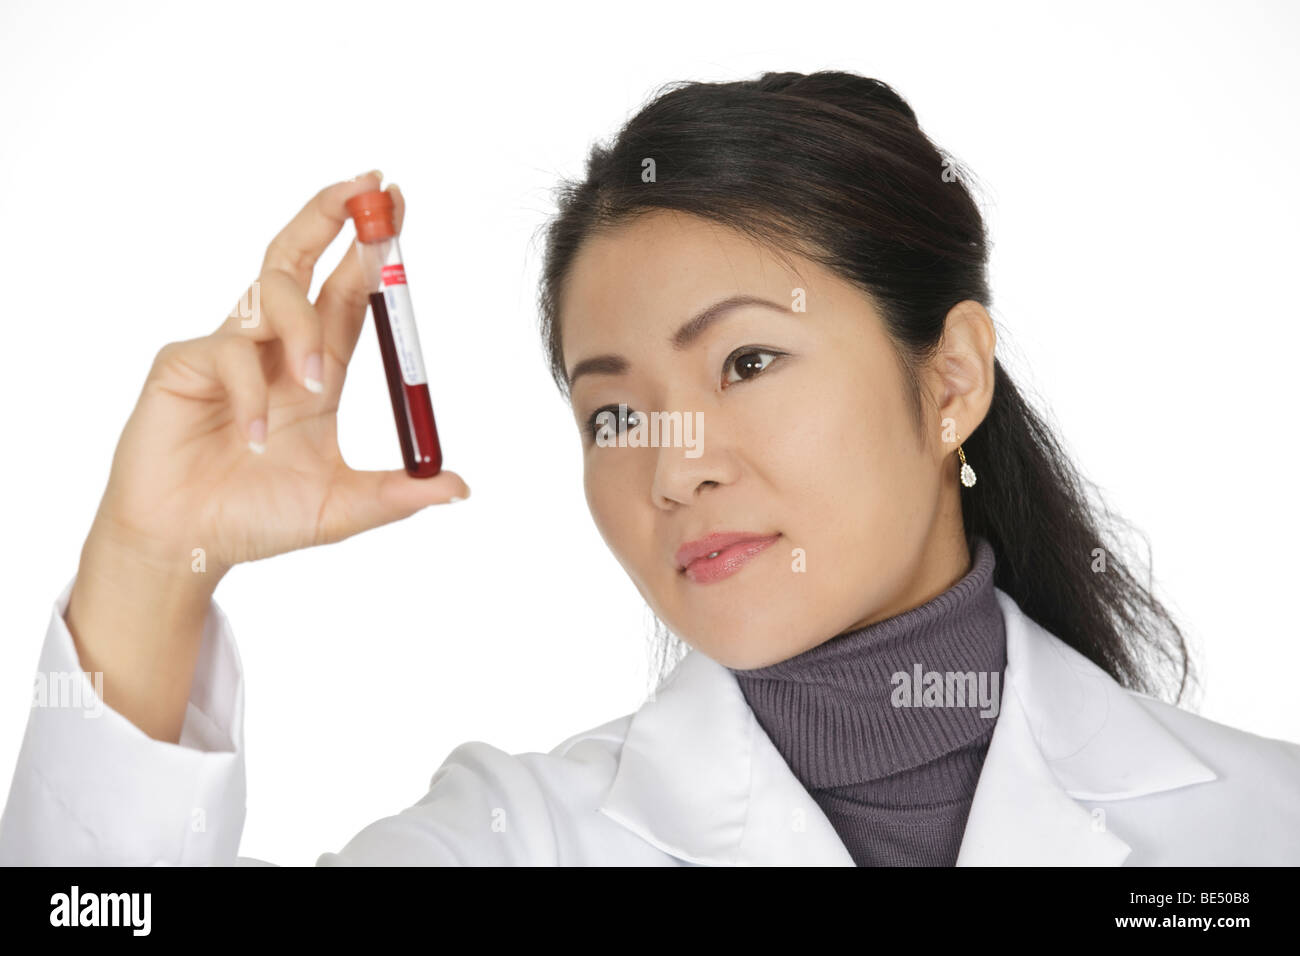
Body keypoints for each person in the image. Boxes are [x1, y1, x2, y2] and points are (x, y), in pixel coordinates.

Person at [2, 74, 1298, 867]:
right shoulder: (521, 840)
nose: (671, 470)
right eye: (613, 415)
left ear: (950, 379)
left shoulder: (1263, 827)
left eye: (743, 364)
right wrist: (150, 552)